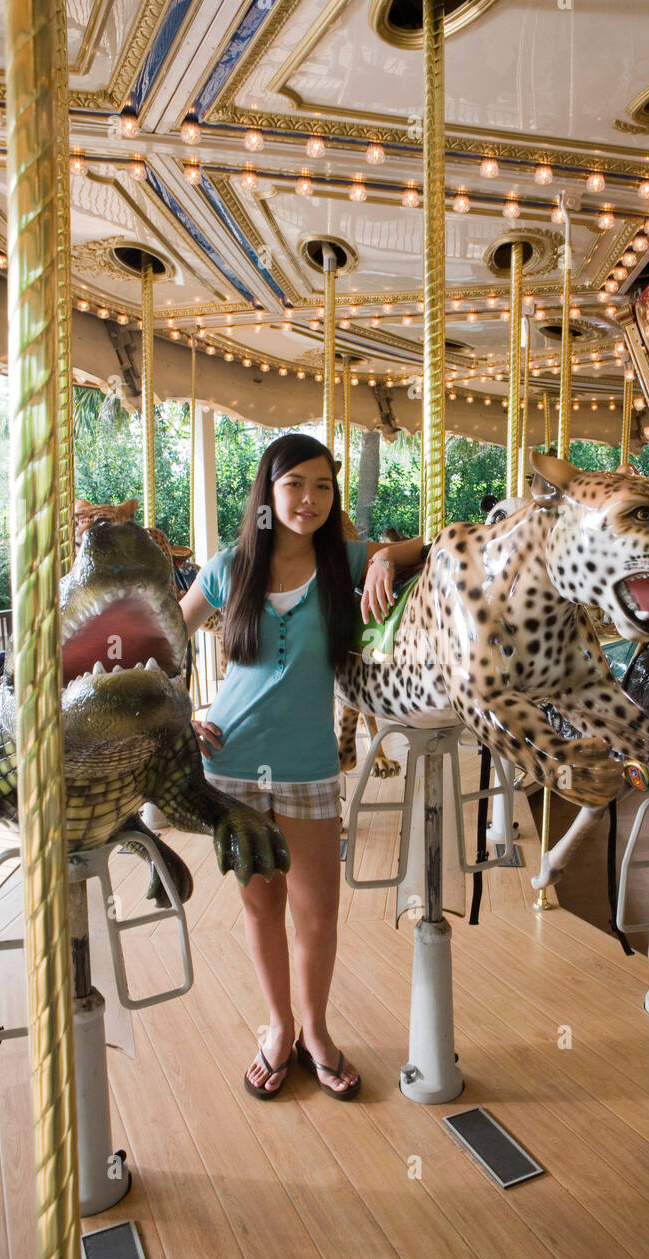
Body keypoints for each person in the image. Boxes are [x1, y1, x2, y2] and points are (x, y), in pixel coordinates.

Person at [180, 433, 425, 1100]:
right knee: (262, 910)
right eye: (295, 485)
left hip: (310, 764)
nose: (310, 499)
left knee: (318, 913)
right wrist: (181, 714)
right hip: (231, 760)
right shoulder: (229, 568)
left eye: (323, 486)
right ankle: (278, 1029)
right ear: (268, 492)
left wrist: (380, 564)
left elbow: (424, 548)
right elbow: (167, 642)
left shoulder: (342, 561)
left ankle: (315, 1030)